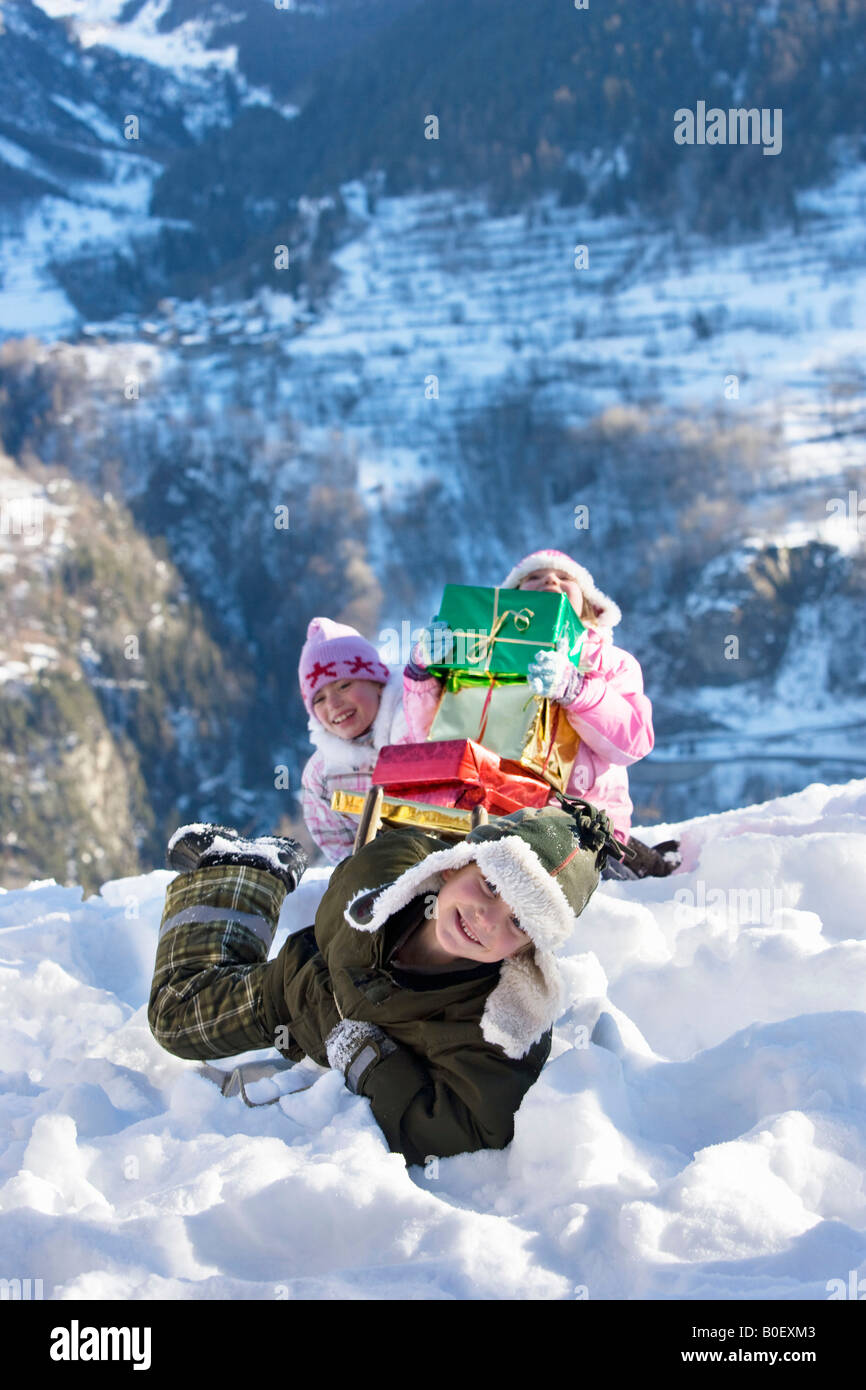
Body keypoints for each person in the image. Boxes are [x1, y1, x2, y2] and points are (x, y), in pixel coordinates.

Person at [148, 800, 621, 1166]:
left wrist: (371, 1065)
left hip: (318, 1018)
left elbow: (468, 1129)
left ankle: (248, 870)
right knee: (175, 1015)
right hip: (297, 989)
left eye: (518, 922)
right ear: (458, 863)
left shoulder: (502, 1025)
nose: (486, 917)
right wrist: (317, 996)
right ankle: (245, 869)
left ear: (526, 951)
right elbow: (336, 916)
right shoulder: (387, 870)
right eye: (492, 886)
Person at [403, 548, 676, 878]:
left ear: (589, 605)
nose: (549, 579)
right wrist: (424, 672)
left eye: (564, 578)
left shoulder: (612, 663)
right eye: (532, 577)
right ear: (508, 604)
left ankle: (633, 862)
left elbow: (632, 743)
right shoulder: (479, 652)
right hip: (486, 815)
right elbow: (427, 738)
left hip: (581, 826)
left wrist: (576, 690)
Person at [298, 616, 409, 863]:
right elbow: (345, 857)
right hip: (387, 878)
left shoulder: (416, 722)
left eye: (344, 685)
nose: (334, 704)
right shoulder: (321, 777)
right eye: (319, 699)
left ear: (377, 682)